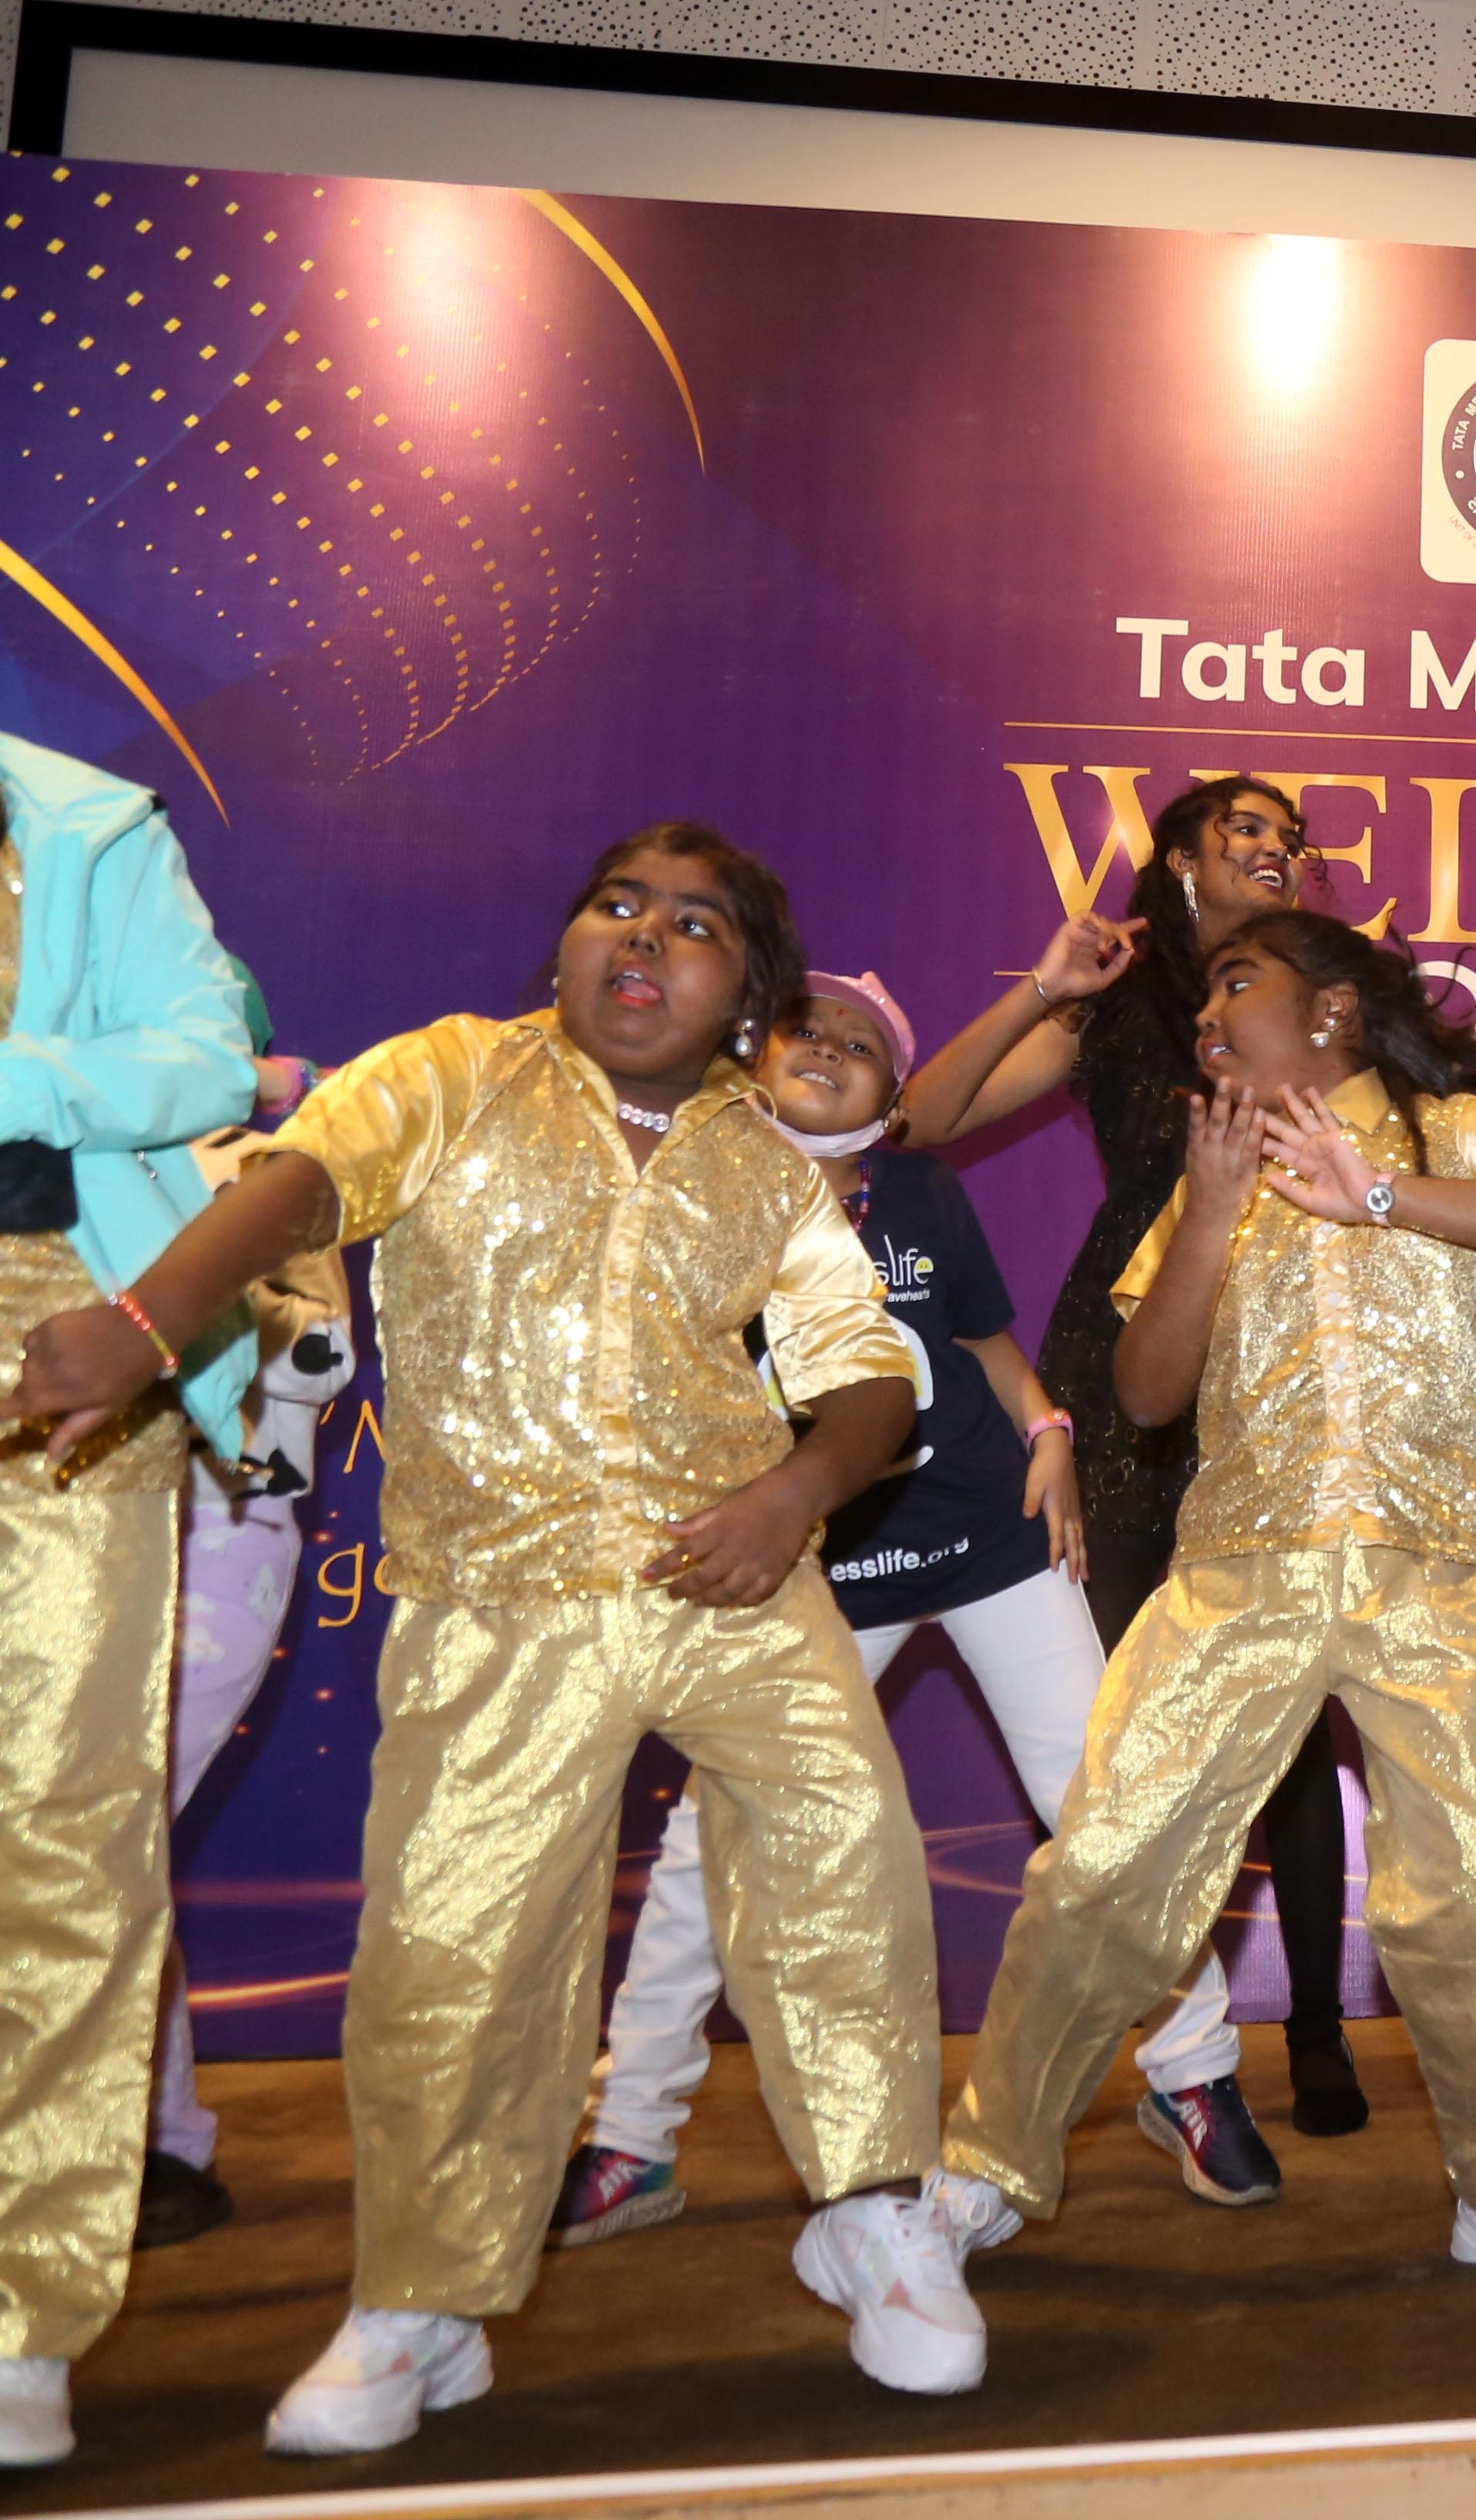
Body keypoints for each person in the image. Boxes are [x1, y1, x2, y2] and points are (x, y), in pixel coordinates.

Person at [19, 823, 975, 2449]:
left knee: (844, 1844)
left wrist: (795, 1494)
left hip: (736, 1575)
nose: (643, 936)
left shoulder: (762, 1161)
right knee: (453, 1951)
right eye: (618, 904)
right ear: (565, 944)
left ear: (751, 1002)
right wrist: (146, 1322)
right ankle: (423, 2302)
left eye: (696, 925)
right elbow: (300, 1184)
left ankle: (875, 2210)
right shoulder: (456, 1072)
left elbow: (870, 1370)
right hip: (500, 1603)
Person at [938, 913, 1476, 2290]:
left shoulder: (1453, 1133)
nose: (1206, 1013)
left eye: (1238, 982)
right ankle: (984, 2169)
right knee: (1109, 1863)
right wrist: (1206, 1212)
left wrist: (1378, 1193)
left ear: (1333, 1013)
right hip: (1241, 1571)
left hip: (1438, 1571)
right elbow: (1145, 1394)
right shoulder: (1215, 1173)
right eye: (1201, 997)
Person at [550, 972, 1260, 2247]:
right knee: (715, 1841)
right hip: (810, 1567)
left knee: (1108, 1809)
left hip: (991, 1540)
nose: (831, 1047)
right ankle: (632, 2136)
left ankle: (1195, 2073)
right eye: (807, 1028)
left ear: (894, 1098)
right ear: (749, 1056)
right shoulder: (693, 1196)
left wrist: (1046, 1428)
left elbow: (982, 1343)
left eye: (864, 1042)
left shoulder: (923, 1189)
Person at [902, 776, 1372, 2137]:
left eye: (1289, 837)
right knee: (1113, 1707)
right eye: (1245, 829)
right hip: (1125, 1357)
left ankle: (1319, 2031)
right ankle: (1170, 2043)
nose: (1276, 848)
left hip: (1278, 1336)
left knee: (1291, 1695)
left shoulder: (1321, 994)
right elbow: (918, 1123)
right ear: (1176, 860)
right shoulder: (1112, 996)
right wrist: (1040, 991)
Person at [0, 731, 258, 2471]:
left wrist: (18, 1078)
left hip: (59, 1334)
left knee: (65, 1831)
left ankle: (23, 2313)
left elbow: (206, 1056)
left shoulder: (90, 823)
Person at [142, 1039, 358, 2252]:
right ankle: (152, 2135)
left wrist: (159, 1294)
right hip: (60, 1527)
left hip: (221, 1527)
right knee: (90, 1842)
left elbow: (319, 1359)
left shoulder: (273, 1169)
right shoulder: (55, 1155)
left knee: (94, 1836)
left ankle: (146, 2141)